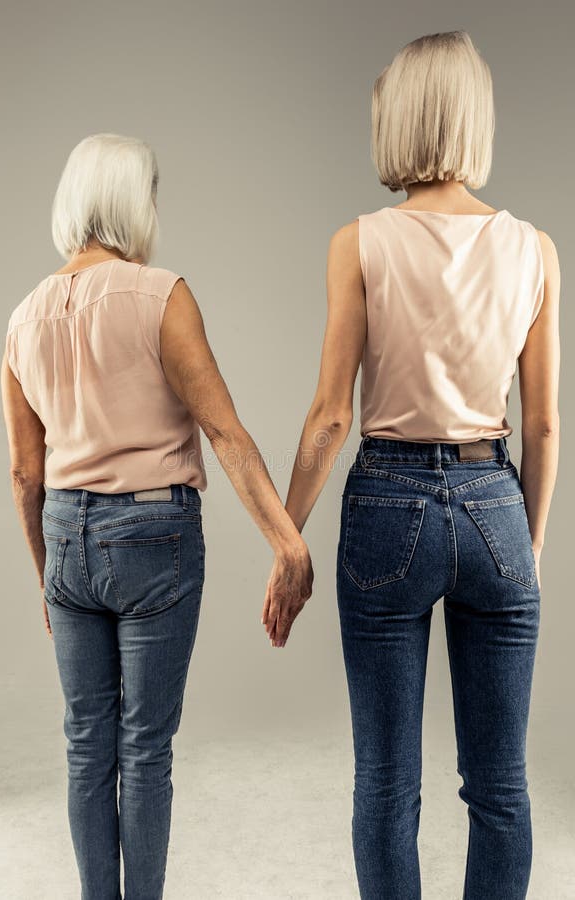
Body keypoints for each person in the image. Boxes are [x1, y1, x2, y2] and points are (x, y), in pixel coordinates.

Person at [262, 30, 560, 900]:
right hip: (496, 499)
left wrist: (287, 537)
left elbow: (328, 417)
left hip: (388, 501)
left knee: (387, 786)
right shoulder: (535, 249)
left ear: (398, 117)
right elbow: (542, 423)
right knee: (500, 787)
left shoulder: (359, 243)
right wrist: (527, 546)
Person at [0, 132, 313, 900]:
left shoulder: (22, 318)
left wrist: (46, 576)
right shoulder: (160, 294)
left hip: (68, 537)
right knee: (144, 750)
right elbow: (226, 433)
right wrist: (288, 543)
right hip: (152, 537)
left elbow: (23, 472)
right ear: (133, 202)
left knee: (85, 748)